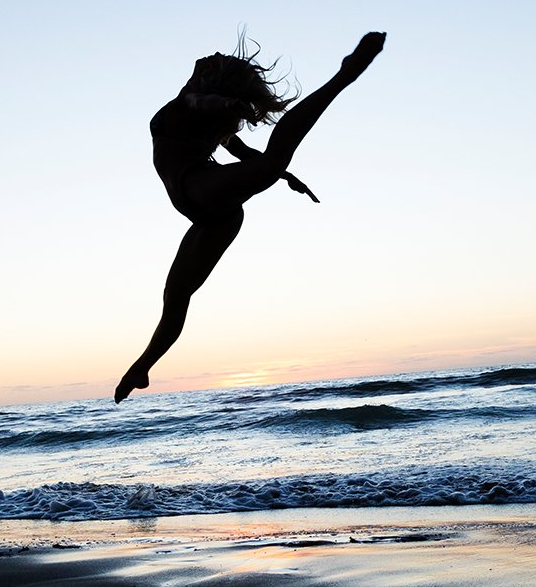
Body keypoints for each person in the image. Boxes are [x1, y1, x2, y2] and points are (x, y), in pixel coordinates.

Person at [114, 30, 386, 403]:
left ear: (211, 78)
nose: (207, 55)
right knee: (176, 297)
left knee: (274, 160)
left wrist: (229, 111)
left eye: (213, 61)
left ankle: (345, 75)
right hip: (211, 216)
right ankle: (142, 366)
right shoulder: (199, 114)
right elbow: (235, 143)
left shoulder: (193, 101)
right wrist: (279, 173)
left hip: (200, 189)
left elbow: (203, 104)